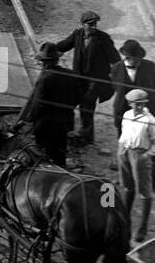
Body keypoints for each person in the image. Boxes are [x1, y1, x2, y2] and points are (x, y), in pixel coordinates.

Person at [54, 10, 120, 147]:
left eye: (95, 24)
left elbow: (115, 59)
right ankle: (70, 133)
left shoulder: (103, 38)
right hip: (78, 78)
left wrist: (116, 76)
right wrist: (51, 49)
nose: (94, 27)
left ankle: (86, 138)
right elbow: (65, 44)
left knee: (87, 107)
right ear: (83, 25)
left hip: (94, 81)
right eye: (90, 24)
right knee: (69, 104)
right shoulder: (77, 34)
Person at [17, 42, 81, 167]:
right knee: (60, 156)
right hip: (64, 124)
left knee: (43, 157)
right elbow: (78, 99)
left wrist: (27, 121)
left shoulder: (45, 79)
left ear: (45, 63)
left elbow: (37, 106)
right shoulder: (71, 75)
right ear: (56, 59)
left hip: (45, 127)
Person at [117, 90, 155, 244]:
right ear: (130, 103)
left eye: (142, 104)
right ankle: (125, 219)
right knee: (127, 187)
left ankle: (142, 227)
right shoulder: (126, 115)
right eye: (136, 104)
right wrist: (120, 149)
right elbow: (124, 132)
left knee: (144, 191)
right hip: (124, 152)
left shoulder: (150, 120)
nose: (139, 107)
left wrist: (147, 156)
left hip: (140, 155)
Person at [110, 41, 155, 136]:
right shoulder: (116, 68)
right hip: (123, 108)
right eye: (133, 58)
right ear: (126, 57)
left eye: (138, 59)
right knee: (123, 137)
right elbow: (116, 88)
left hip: (146, 109)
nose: (137, 61)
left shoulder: (150, 66)